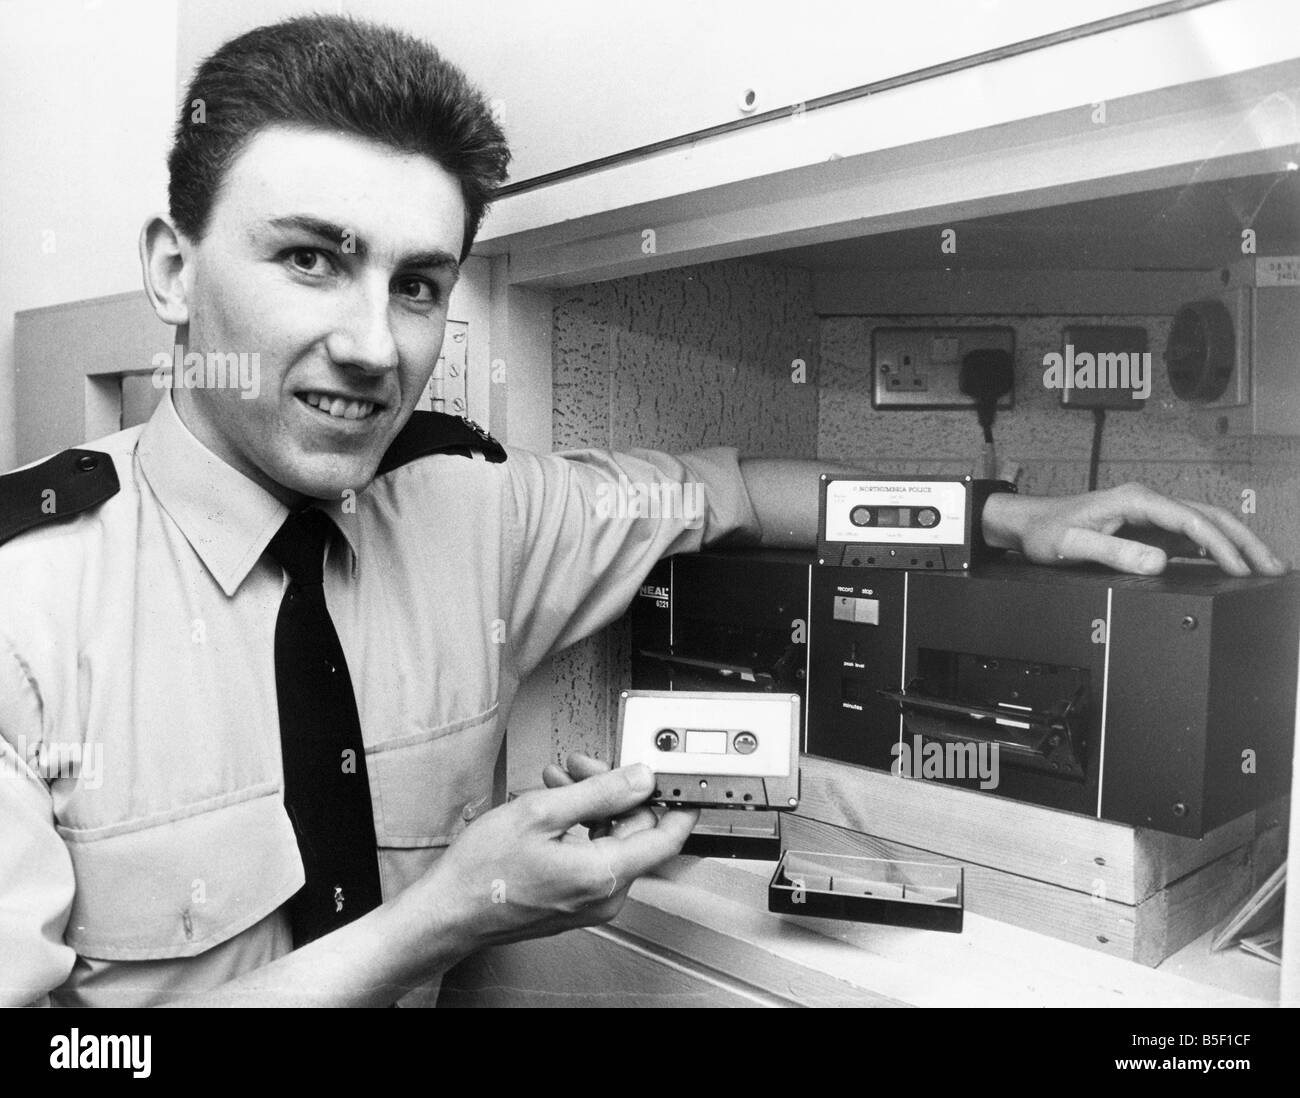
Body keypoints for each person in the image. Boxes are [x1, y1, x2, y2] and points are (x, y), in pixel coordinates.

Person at [0, 14, 1284, 1009]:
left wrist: (1004, 518)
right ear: (171, 270)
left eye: (417, 285)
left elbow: (736, 492)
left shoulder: (466, 515)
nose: (371, 345)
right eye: (310, 259)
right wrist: (452, 910)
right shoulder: (27, 611)